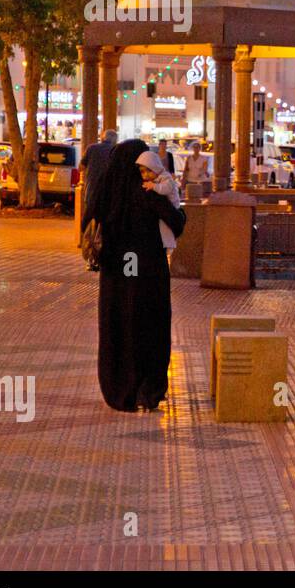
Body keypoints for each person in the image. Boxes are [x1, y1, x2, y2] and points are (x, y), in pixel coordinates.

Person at [89, 140, 186, 412]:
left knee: (117, 328)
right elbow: (176, 223)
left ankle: (120, 389)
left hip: (117, 278)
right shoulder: (148, 195)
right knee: (149, 330)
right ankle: (148, 390)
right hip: (149, 276)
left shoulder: (107, 195)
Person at [136, 150, 182, 251]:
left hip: (173, 205)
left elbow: (165, 189)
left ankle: (169, 245)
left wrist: (153, 186)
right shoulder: (154, 180)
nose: (146, 175)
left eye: (149, 170)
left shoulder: (166, 178)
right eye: (142, 172)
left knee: (165, 227)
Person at [79, 130, 117, 228]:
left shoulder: (91, 148)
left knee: (89, 213)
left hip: (91, 187)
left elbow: (81, 167)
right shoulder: (116, 150)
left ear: (102, 138)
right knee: (104, 215)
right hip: (108, 190)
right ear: (114, 140)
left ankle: (82, 235)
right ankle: (99, 235)